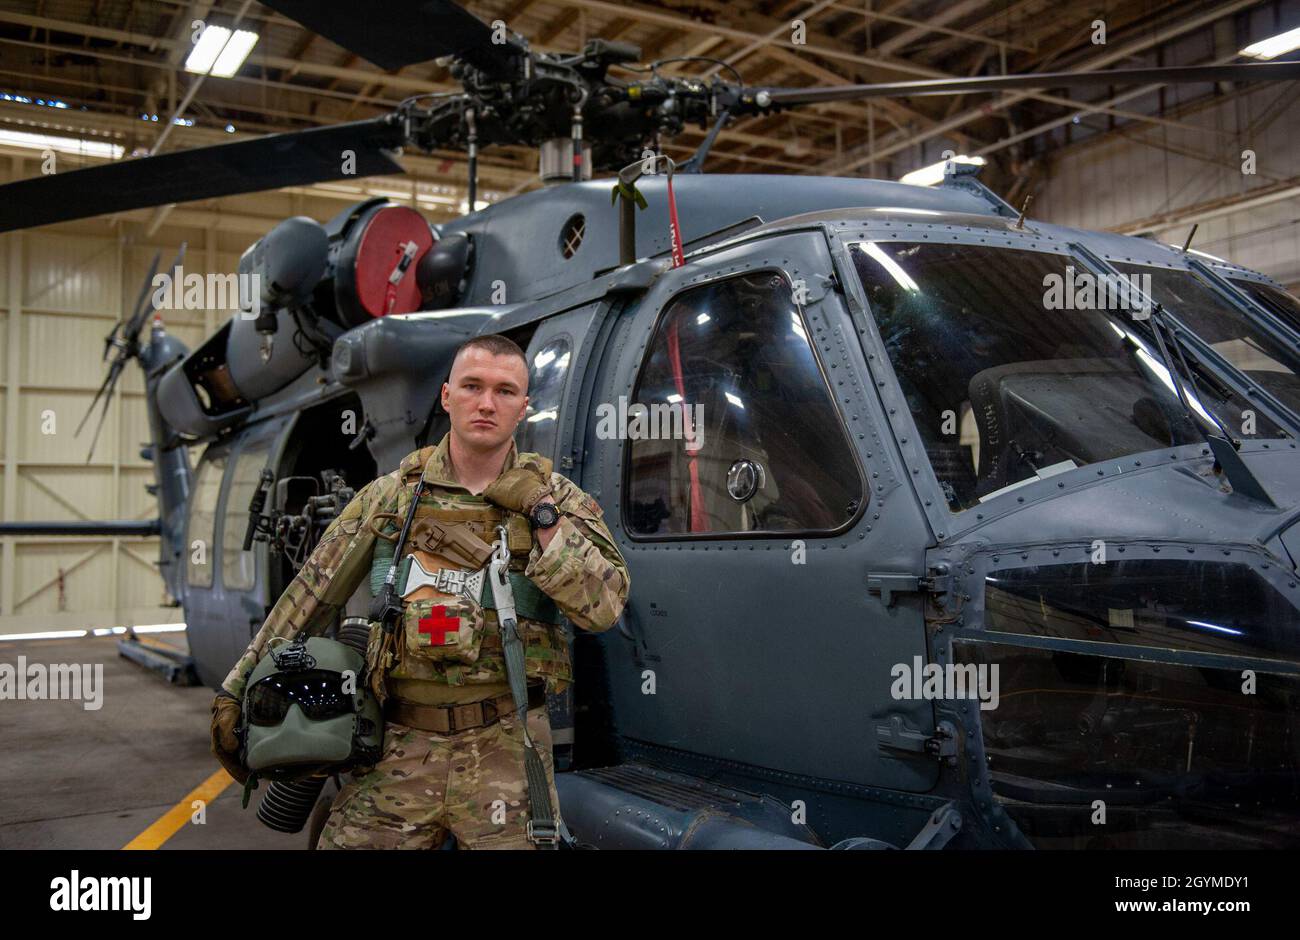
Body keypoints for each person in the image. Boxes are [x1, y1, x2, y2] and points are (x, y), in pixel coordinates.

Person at [210, 334, 629, 848]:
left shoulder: (556, 500)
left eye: (504, 391)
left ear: (524, 407)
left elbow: (604, 609)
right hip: (398, 742)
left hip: (507, 747)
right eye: (472, 387)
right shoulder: (392, 498)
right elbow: (311, 595)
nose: (486, 403)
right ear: (447, 396)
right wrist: (237, 688)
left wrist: (542, 517)